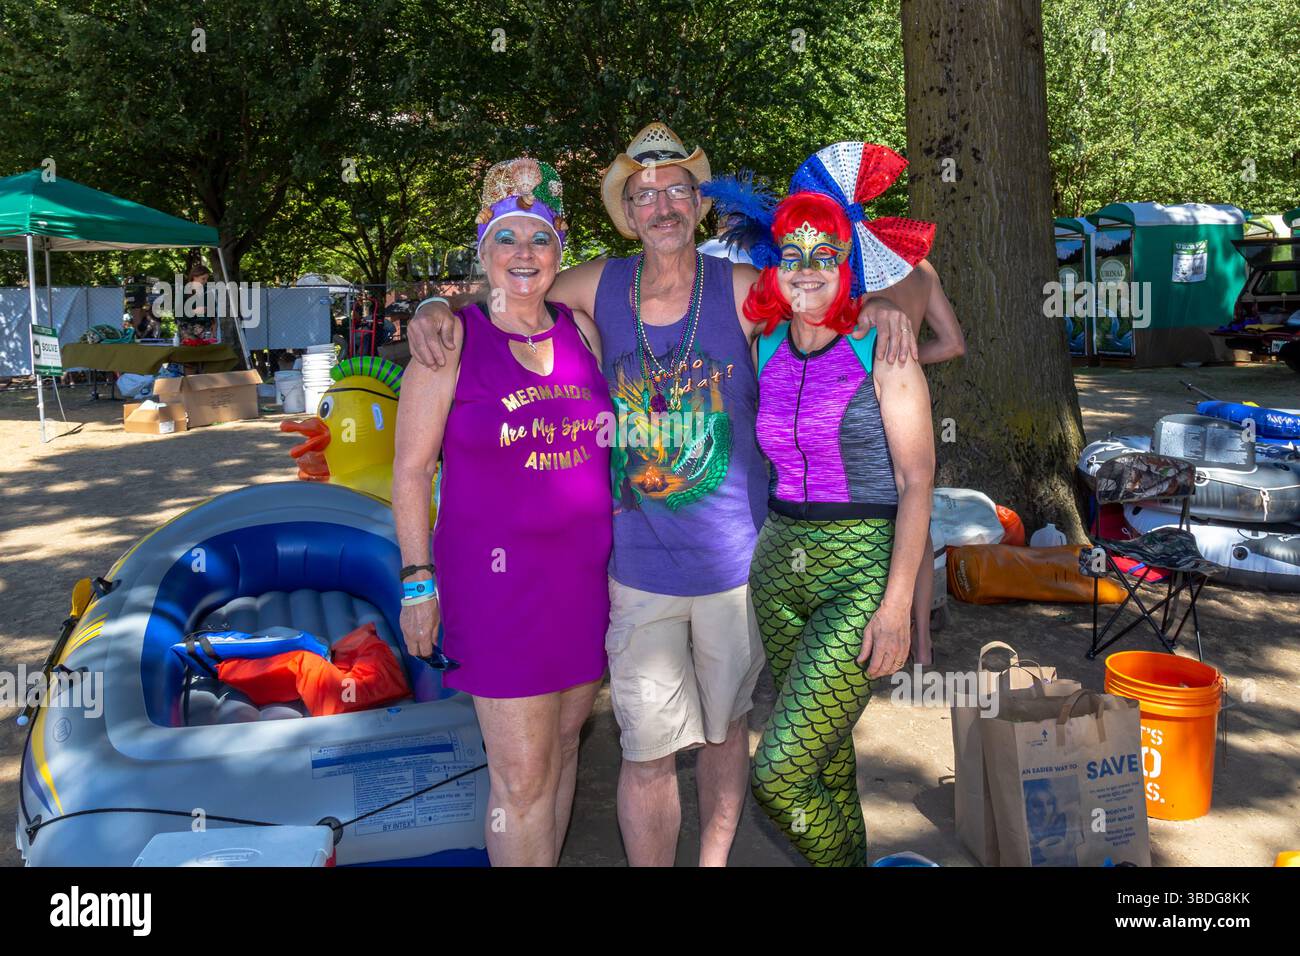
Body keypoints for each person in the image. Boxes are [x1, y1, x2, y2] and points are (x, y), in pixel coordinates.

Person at [405, 123, 913, 867]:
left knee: (723, 734)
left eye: (678, 188)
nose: (663, 204)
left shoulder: (743, 290)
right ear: (627, 213)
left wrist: (881, 308)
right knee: (644, 751)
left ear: (699, 205)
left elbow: (822, 295)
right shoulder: (597, 287)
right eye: (645, 194)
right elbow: (508, 289)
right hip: (633, 570)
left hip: (735, 567)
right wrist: (433, 310)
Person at [715, 142, 943, 866]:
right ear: (773, 262)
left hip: (861, 572)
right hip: (778, 568)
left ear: (847, 260)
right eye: (792, 250)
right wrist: (442, 303)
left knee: (779, 777)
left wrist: (897, 605)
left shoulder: (882, 343)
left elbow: (917, 482)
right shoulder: (763, 338)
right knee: (826, 759)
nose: (807, 266)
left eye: (824, 251)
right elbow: (640, 290)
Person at [392, 157, 612, 866]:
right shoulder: (450, 339)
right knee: (520, 779)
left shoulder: (583, 330)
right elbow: (410, 469)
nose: (524, 254)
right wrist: (417, 582)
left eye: (540, 238)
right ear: (482, 249)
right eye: (507, 238)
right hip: (495, 589)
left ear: (560, 250)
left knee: (563, 753)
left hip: (583, 583)